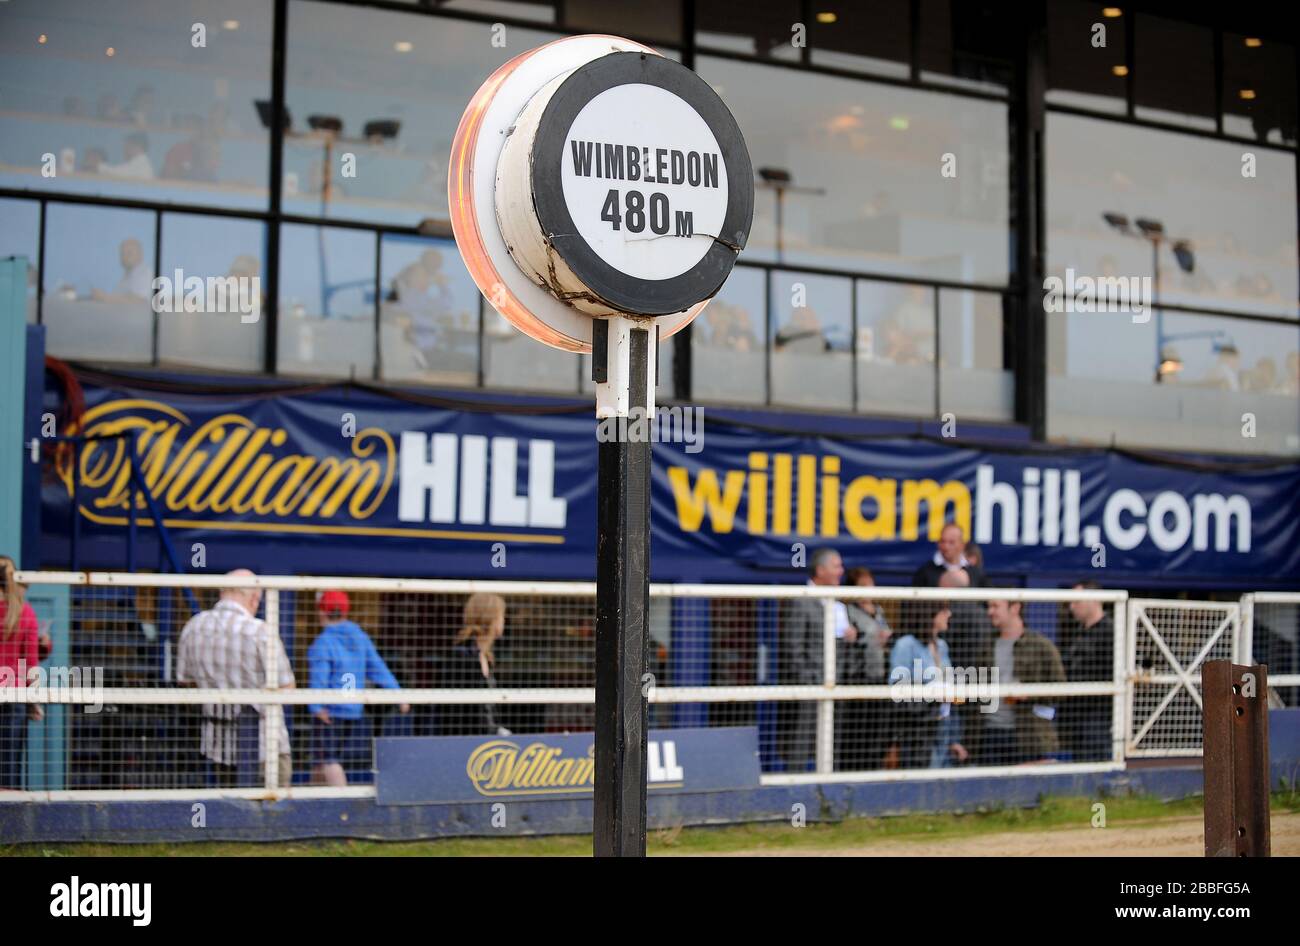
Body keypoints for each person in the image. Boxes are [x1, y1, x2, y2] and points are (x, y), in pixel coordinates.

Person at [176, 570, 295, 787]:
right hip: (265, 747)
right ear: (254, 598)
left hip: (219, 746)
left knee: (232, 812)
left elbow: (185, 682)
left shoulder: (194, 626)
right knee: (272, 815)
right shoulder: (260, 632)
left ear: (222, 592)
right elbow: (287, 688)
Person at [307, 590, 409, 786]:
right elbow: (378, 668)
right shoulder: (361, 638)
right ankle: (309, 802)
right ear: (346, 612)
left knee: (329, 761)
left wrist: (316, 707)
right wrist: (398, 694)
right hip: (353, 709)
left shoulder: (323, 643)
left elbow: (319, 678)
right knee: (322, 761)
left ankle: (342, 803)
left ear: (322, 612)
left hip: (330, 712)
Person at [779, 548, 847, 770]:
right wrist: (810, 680)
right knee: (802, 739)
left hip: (835, 686)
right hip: (810, 687)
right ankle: (793, 791)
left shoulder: (838, 604)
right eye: (836, 566)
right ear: (820, 570)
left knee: (831, 741)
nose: (841, 571)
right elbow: (793, 646)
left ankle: (829, 794)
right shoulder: (802, 600)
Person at [980, 597, 1066, 765]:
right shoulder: (986, 646)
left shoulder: (1041, 645)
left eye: (996, 606)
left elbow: (1061, 690)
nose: (990, 612)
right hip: (990, 732)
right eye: (989, 607)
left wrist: (1030, 694)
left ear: (1015, 608)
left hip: (1029, 734)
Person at [889, 600, 966, 769]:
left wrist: (954, 739)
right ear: (931, 614)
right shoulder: (906, 645)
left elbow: (950, 692)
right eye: (944, 611)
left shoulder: (942, 646)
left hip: (944, 726)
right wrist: (931, 693)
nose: (949, 615)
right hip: (918, 729)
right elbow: (897, 687)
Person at [843, 567, 893, 769]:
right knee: (859, 729)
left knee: (878, 729)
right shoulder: (848, 612)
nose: (868, 589)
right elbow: (849, 639)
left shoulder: (879, 611)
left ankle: (875, 767)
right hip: (859, 677)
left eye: (870, 583)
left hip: (880, 676)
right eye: (862, 585)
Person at [439, 593, 510, 736]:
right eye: (501, 616)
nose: (504, 621)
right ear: (491, 619)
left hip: (486, 740)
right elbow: (456, 713)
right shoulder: (461, 656)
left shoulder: (486, 657)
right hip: (465, 743)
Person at [1061, 581, 1114, 762]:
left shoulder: (1111, 631)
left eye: (1077, 601)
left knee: (1095, 764)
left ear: (1094, 600)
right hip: (1076, 713)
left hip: (1099, 715)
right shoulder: (1078, 632)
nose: (1071, 607)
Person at [0, 556, 42, 790]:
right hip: (15, 696)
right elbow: (31, 663)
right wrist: (34, 701)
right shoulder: (26, 613)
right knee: (9, 764)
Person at [92, 238, 152, 303]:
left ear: (140, 254)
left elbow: (139, 301)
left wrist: (105, 297)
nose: (125, 257)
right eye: (123, 254)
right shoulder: (127, 276)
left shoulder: (145, 275)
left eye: (129, 253)